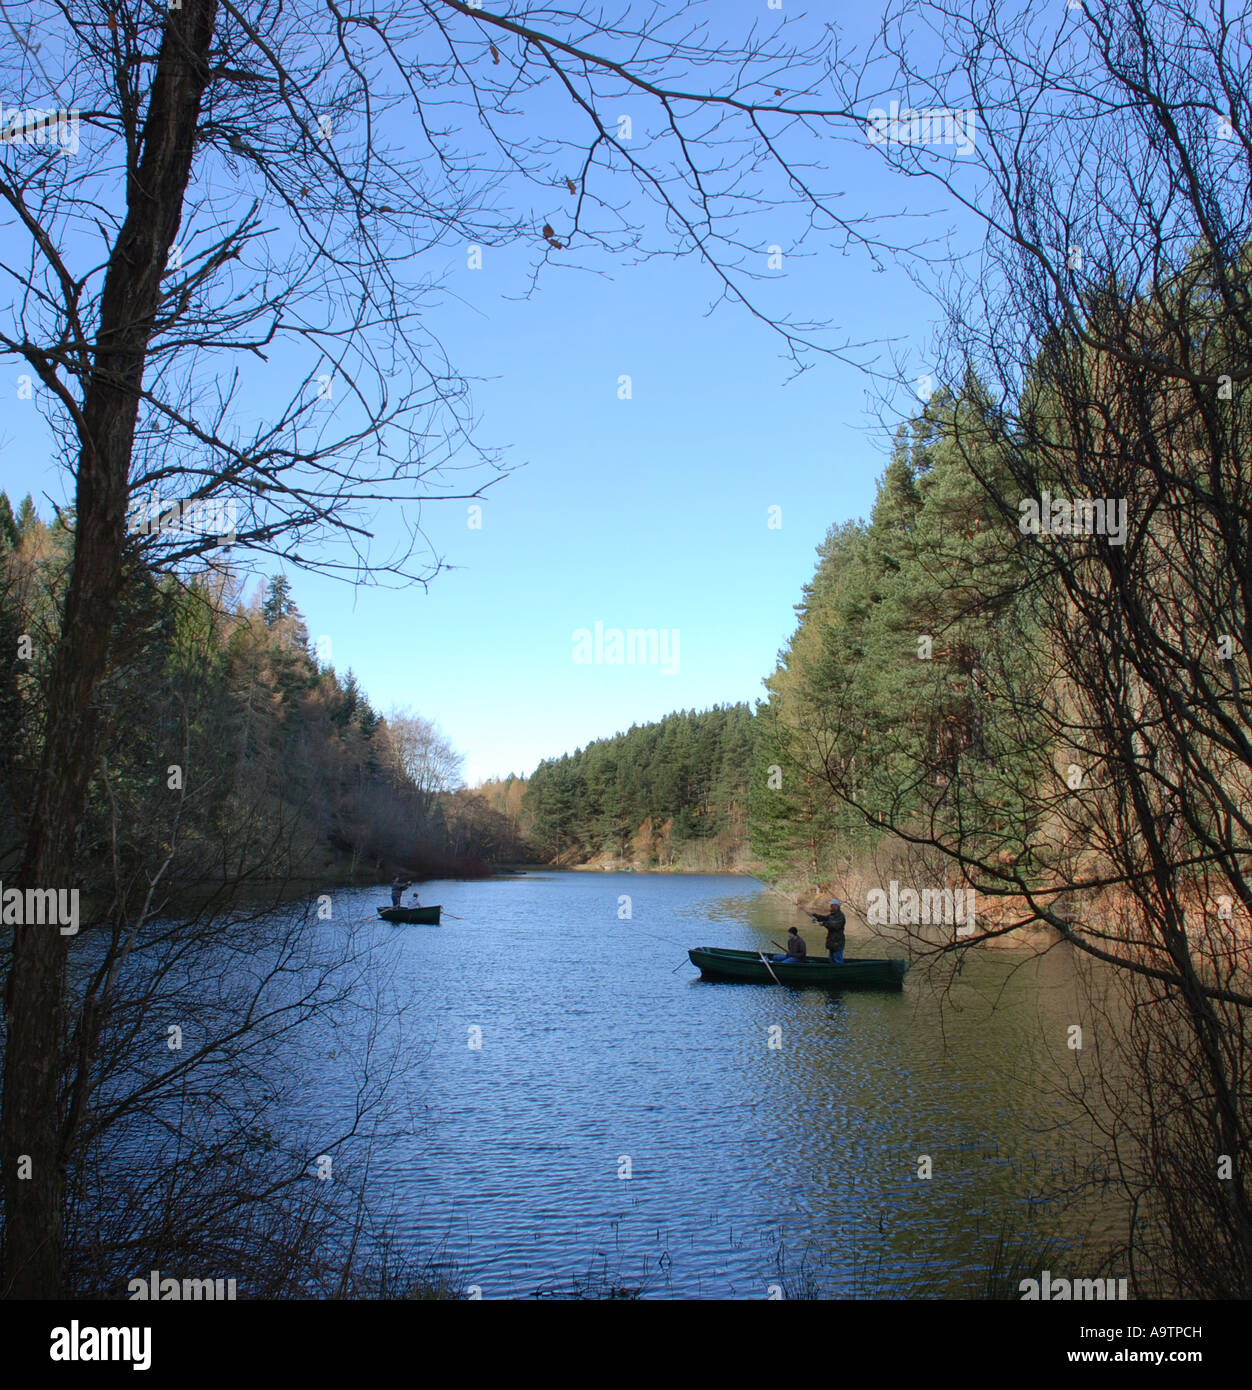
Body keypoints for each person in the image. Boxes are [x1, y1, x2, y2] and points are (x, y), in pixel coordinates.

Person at [812, 898, 847, 964]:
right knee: (831, 961)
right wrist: (815, 915)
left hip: (838, 943)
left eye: (832, 905)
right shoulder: (832, 915)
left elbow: (834, 926)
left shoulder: (840, 916)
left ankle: (839, 973)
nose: (830, 906)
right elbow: (824, 918)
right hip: (832, 943)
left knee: (837, 961)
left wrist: (824, 923)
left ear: (836, 906)